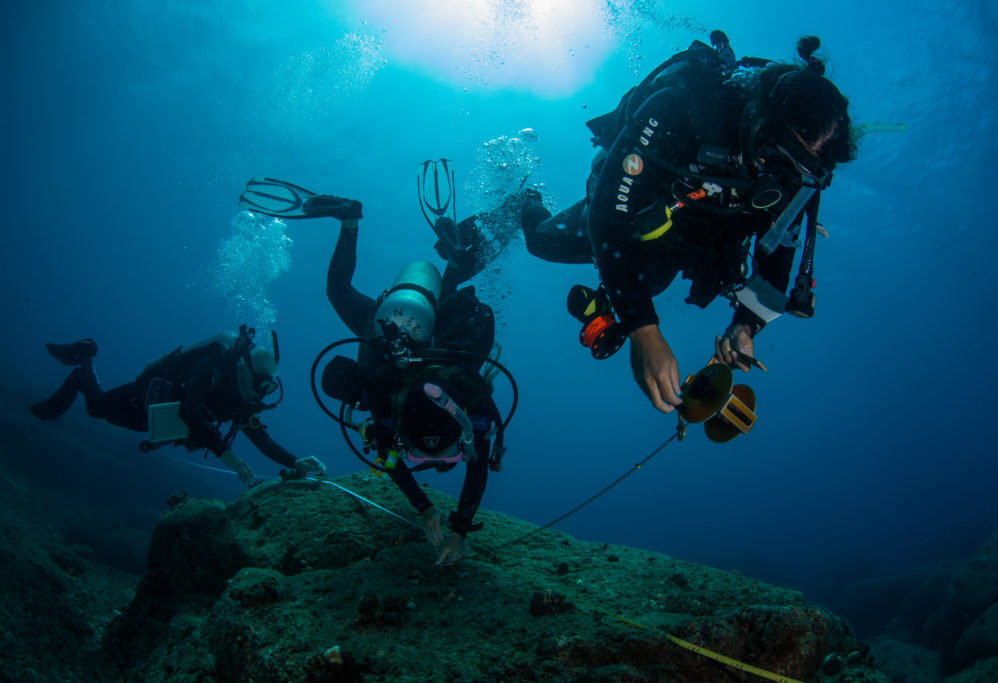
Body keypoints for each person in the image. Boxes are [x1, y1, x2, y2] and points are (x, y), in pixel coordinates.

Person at [519, 33, 858, 413]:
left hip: (689, 244)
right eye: (778, 159)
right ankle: (523, 196)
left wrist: (745, 325)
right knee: (540, 243)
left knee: (652, 280)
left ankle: (617, 296)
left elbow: (777, 258)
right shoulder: (683, 107)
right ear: (760, 117)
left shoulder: (792, 179)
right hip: (630, 209)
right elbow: (607, 216)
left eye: (800, 173)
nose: (779, 180)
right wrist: (642, 329)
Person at [239, 175, 512, 566]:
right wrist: (451, 525)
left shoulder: (396, 399)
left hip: (390, 337)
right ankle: (398, 241)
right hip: (410, 338)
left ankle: (437, 255)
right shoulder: (466, 396)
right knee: (419, 306)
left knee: (447, 304)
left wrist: (431, 512)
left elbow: (399, 459)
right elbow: (476, 465)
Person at [29, 327, 325, 484]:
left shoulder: (243, 397)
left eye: (269, 388)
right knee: (96, 408)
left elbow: (260, 436)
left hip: (158, 420)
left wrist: (293, 461)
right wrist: (226, 455)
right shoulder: (211, 368)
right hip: (144, 399)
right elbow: (189, 407)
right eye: (262, 384)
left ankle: (83, 364)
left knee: (100, 412)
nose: (262, 394)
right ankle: (85, 359)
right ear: (245, 369)